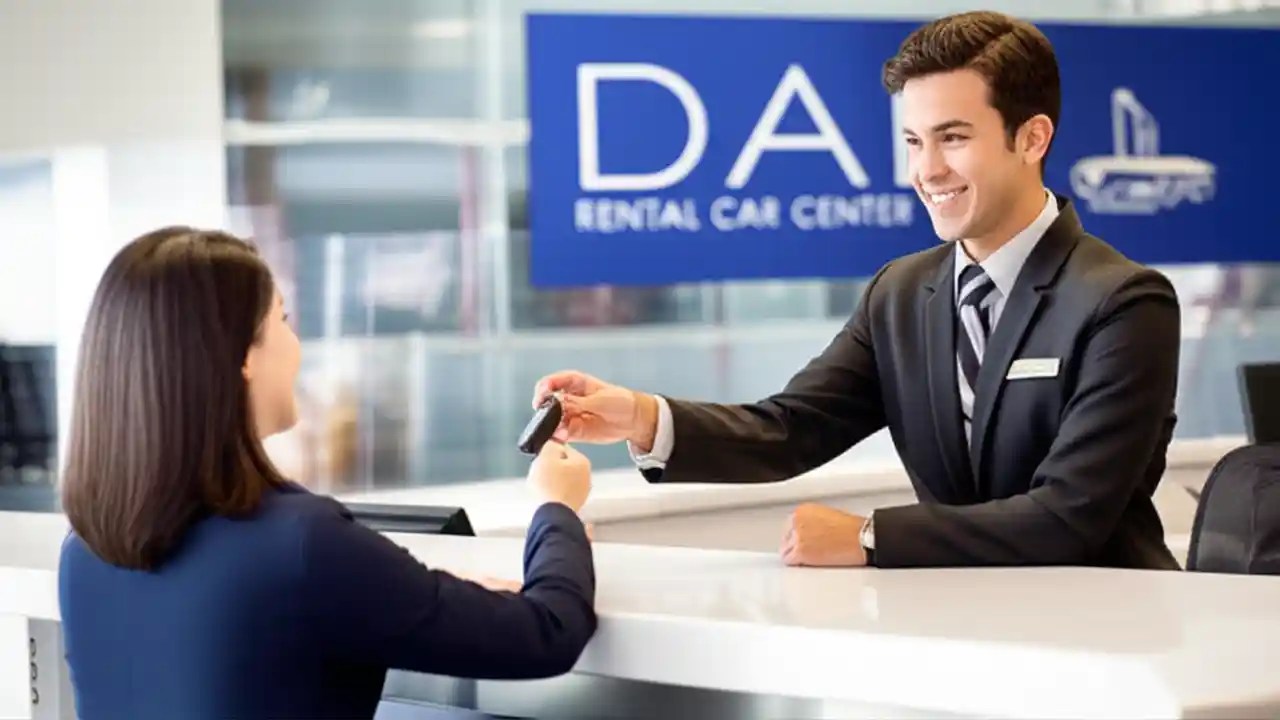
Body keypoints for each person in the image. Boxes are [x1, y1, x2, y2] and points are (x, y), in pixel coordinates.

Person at [533, 11, 1182, 571]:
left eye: (953, 138)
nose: (927, 170)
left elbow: (1069, 515)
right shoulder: (901, 293)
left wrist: (871, 536)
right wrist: (639, 415)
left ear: (1032, 138)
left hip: (1112, 630)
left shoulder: (1123, 303)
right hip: (965, 631)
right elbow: (791, 430)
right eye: (912, 141)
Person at [58, 227, 597, 720]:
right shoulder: (302, 547)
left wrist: (416, 593)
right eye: (283, 321)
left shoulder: (83, 552)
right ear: (242, 355)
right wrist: (558, 508)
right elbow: (548, 633)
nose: (296, 346)